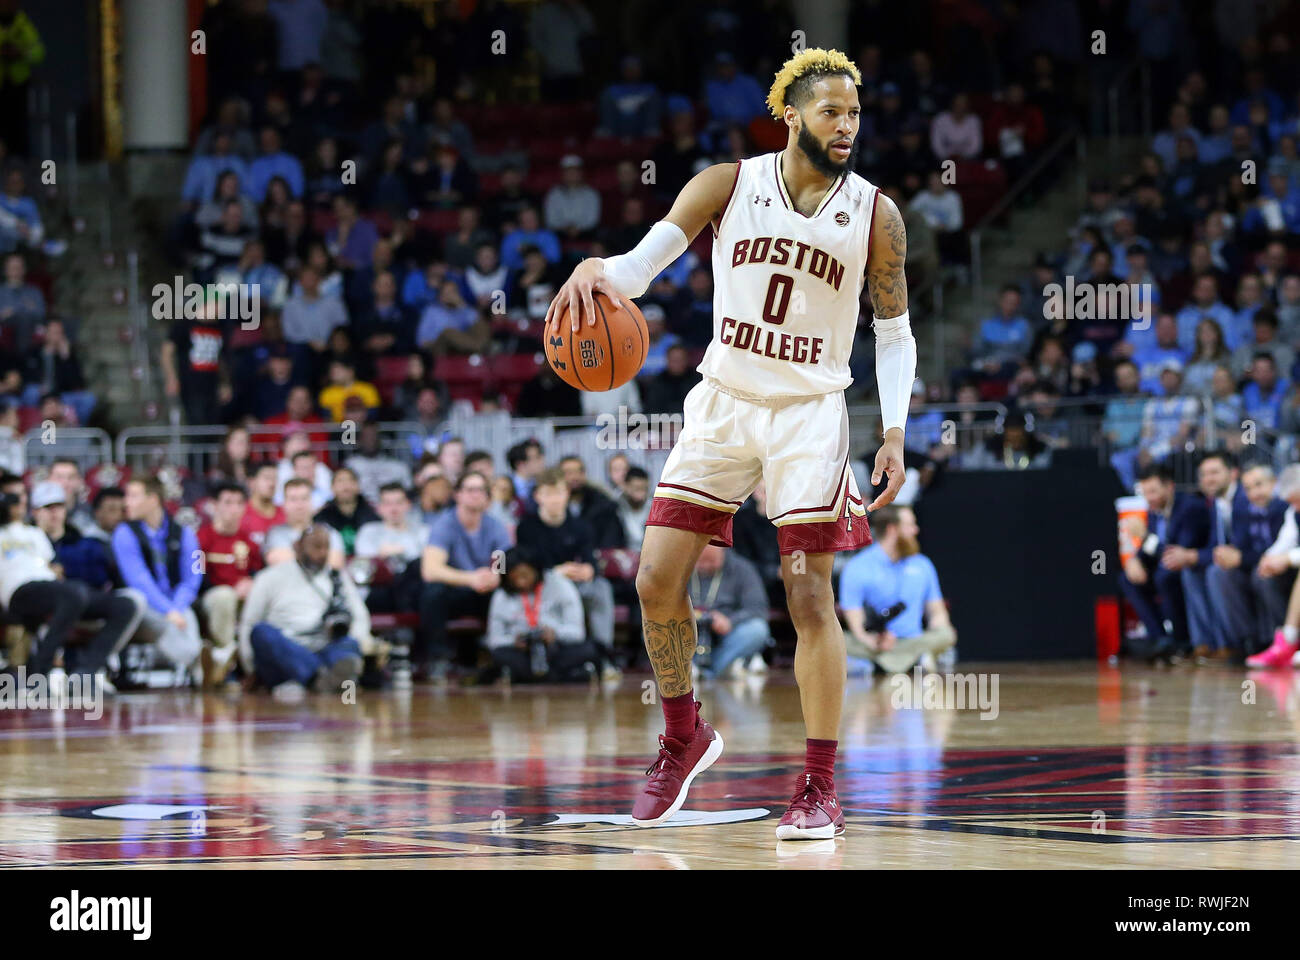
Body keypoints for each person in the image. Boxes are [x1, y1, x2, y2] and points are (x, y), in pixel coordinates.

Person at [545, 48, 913, 839]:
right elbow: (645, 265)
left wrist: (893, 431)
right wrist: (596, 268)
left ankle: (818, 785)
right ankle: (685, 736)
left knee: (809, 593)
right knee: (653, 580)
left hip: (810, 411)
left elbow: (894, 330)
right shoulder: (727, 182)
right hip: (723, 404)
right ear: (792, 116)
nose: (846, 125)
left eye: (854, 113)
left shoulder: (876, 214)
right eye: (831, 112)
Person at [0, 482, 141, 688]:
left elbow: (51, 565)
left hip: (52, 588)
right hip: (19, 590)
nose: (13, 507)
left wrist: (54, 571)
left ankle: (85, 672)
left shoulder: (33, 533)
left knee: (125, 605)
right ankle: (39, 673)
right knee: (74, 594)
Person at [238, 524, 369, 695]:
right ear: (297, 547)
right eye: (316, 547)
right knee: (261, 633)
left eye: (326, 547)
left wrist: (357, 640)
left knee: (348, 643)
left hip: (323, 645)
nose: (322, 553)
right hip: (285, 648)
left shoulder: (337, 577)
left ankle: (320, 676)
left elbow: (360, 616)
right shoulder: (270, 577)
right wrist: (250, 667)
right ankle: (320, 676)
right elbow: (249, 622)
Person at [516, 469, 618, 678]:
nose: (554, 499)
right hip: (542, 587)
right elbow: (524, 567)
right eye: (548, 493)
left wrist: (589, 569)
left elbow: (590, 558)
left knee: (601, 588)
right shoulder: (526, 526)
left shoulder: (580, 525)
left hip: (575, 583)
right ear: (538, 497)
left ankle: (604, 654)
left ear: (567, 495)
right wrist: (554, 572)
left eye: (559, 493)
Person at [839, 505, 955, 675]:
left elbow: (937, 612)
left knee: (947, 634)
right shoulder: (857, 567)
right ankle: (913, 661)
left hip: (914, 640)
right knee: (838, 639)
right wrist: (873, 641)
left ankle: (878, 665)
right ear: (892, 529)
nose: (916, 530)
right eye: (910, 525)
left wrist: (938, 626)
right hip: (876, 643)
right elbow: (856, 623)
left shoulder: (923, 564)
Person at [417, 471, 511, 681]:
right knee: (433, 593)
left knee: (506, 592)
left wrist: (494, 577)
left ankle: (501, 656)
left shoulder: (495, 526)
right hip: (456, 591)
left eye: (480, 490)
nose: (475, 495)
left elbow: (502, 565)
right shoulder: (444, 524)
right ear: (457, 494)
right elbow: (430, 570)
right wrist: (470, 578)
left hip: (484, 591)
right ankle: (437, 658)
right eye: (469, 489)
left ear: (487, 497)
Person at [110, 477, 204, 680]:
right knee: (163, 622)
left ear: (153, 499)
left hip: (177, 602)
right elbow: (138, 580)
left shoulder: (186, 533)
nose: (127, 502)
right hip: (144, 607)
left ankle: (200, 666)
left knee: (187, 617)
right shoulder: (123, 533)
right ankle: (198, 659)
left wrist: (177, 607)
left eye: (133, 496)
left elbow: (196, 573)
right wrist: (168, 610)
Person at [1117, 462, 1210, 662]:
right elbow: (1151, 549)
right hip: (1166, 566)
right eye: (1144, 492)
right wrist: (1135, 561)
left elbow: (1176, 555)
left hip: (1190, 566)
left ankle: (1181, 641)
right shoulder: (1154, 509)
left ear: (1169, 486)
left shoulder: (1190, 507)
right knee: (1127, 578)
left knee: (1165, 576)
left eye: (1153, 491)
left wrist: (1144, 537)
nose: (1149, 498)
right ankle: (1159, 638)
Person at [1208, 463, 1288, 659]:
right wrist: (1229, 554)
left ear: (1274, 483)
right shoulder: (1242, 510)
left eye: (1259, 485)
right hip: (1255, 563)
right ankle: (1246, 641)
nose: (1254, 493)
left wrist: (1242, 557)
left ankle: (1279, 641)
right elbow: (1242, 545)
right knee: (1218, 572)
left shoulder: (1284, 507)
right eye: (1248, 488)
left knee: (1262, 576)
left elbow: (1280, 550)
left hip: (1284, 566)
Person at [485, 547, 599, 682]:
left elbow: (577, 632)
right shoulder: (501, 595)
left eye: (525, 576)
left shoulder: (560, 585)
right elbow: (494, 640)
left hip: (556, 648)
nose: (521, 582)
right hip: (521, 652)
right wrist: (514, 641)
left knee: (589, 649)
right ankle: (562, 677)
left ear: (537, 571)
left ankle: (529, 678)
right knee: (499, 655)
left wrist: (555, 634)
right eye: (514, 578)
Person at [196, 483, 263, 688]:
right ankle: (226, 659)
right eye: (227, 503)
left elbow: (258, 571)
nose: (233, 509)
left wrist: (252, 582)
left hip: (243, 599)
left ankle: (253, 667)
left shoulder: (249, 541)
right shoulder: (201, 538)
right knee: (225, 597)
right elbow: (196, 579)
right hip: (211, 599)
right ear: (214, 506)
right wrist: (230, 590)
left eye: (238, 503)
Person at [686, 544, 773, 679]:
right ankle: (689, 668)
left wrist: (730, 621)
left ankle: (710, 672)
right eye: (700, 561)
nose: (705, 566)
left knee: (757, 629)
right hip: (688, 634)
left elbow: (758, 608)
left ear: (723, 552)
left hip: (725, 634)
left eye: (711, 561)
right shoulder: (683, 568)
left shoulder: (742, 569)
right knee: (656, 628)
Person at [1246, 465, 1300, 668]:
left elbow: (1288, 554)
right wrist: (1268, 560)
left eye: (1297, 500)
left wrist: (1287, 558)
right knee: (1263, 575)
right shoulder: (1293, 513)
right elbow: (1284, 541)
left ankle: (1289, 638)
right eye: (1291, 502)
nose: (1295, 507)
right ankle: (1282, 641)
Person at [355, 482, 427, 612]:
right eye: (388, 503)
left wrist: (392, 551)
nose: (394, 509)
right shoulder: (368, 531)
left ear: (408, 505)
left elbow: (425, 562)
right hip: (382, 589)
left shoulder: (422, 531)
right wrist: (402, 551)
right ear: (379, 508)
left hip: (414, 590)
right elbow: (365, 563)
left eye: (398, 503)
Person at [265, 477, 345, 567]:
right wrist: (320, 556)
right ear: (284, 504)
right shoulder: (275, 533)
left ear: (312, 502)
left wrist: (295, 556)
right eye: (293, 499)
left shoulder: (329, 532)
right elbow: (278, 562)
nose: (299, 505)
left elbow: (336, 563)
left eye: (304, 498)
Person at [313, 466, 378, 556]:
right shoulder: (321, 518)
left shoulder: (373, 515)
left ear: (358, 486)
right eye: (340, 481)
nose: (346, 486)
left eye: (350, 480)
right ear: (332, 487)